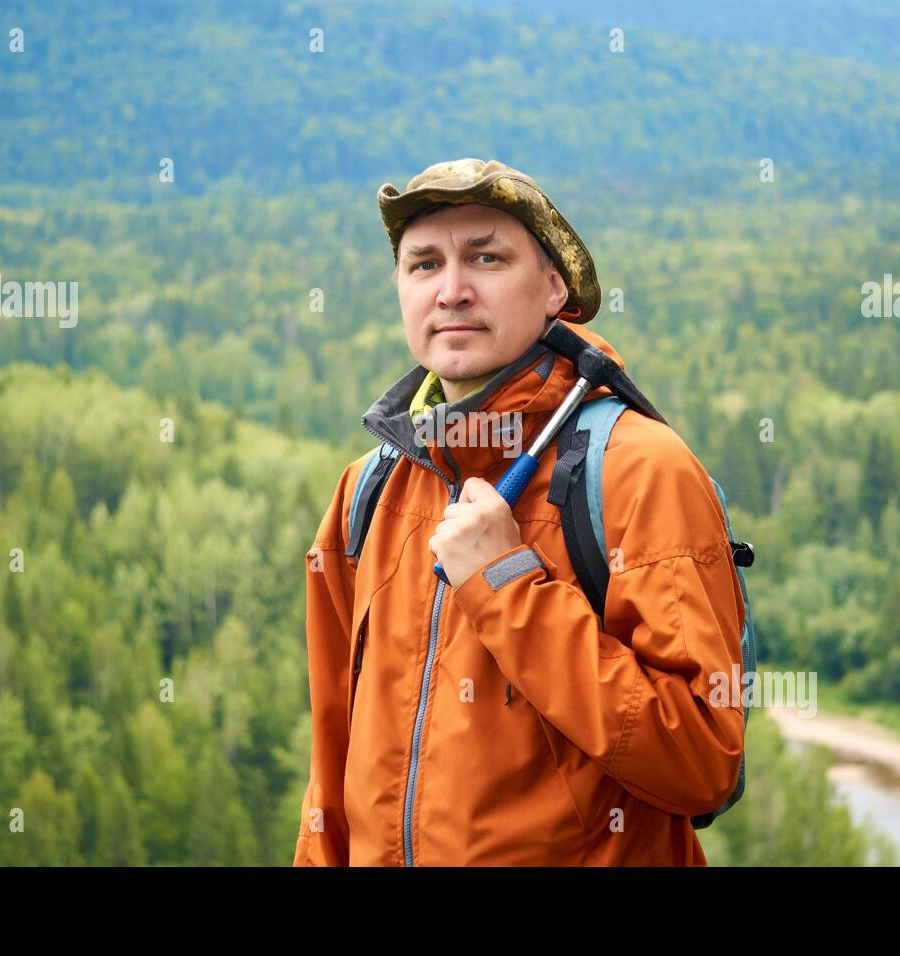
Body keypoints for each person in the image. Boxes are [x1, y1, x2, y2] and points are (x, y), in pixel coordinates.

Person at [292, 158, 746, 866]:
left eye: (487, 257)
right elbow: (331, 773)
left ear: (555, 289)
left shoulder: (639, 471)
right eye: (423, 265)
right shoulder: (367, 492)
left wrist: (507, 583)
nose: (451, 291)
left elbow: (701, 762)